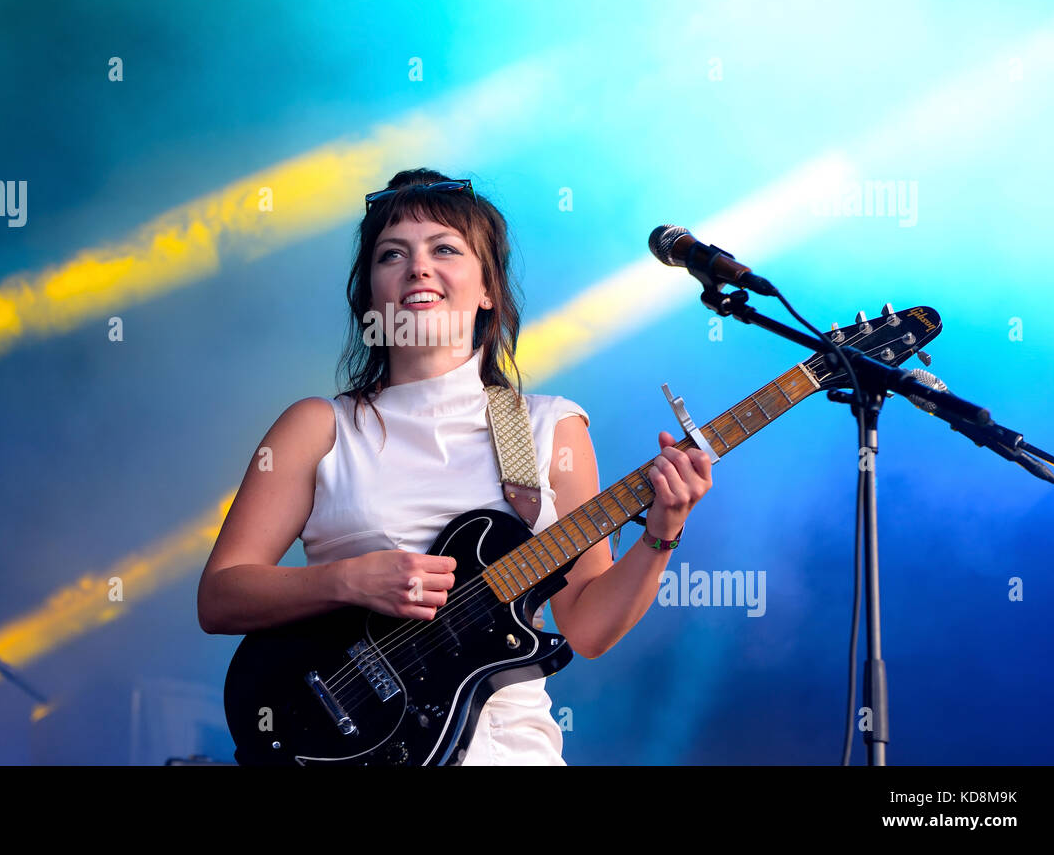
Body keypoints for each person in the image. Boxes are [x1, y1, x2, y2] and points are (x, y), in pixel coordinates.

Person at [197, 168, 713, 764]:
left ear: (488, 288)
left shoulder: (546, 428)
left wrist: (661, 531)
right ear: (369, 293)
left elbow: (587, 629)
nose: (418, 267)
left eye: (445, 249)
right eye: (393, 254)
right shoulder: (319, 426)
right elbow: (220, 596)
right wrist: (348, 579)